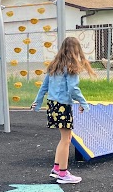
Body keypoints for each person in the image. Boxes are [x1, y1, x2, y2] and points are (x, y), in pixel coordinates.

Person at [30, 36, 97, 184]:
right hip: (62, 106)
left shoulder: (54, 66)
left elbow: (44, 86)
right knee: (66, 139)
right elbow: (73, 88)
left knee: (65, 138)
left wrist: (38, 102)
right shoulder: (71, 67)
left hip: (53, 105)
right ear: (76, 50)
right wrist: (83, 103)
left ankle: (56, 168)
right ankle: (63, 173)